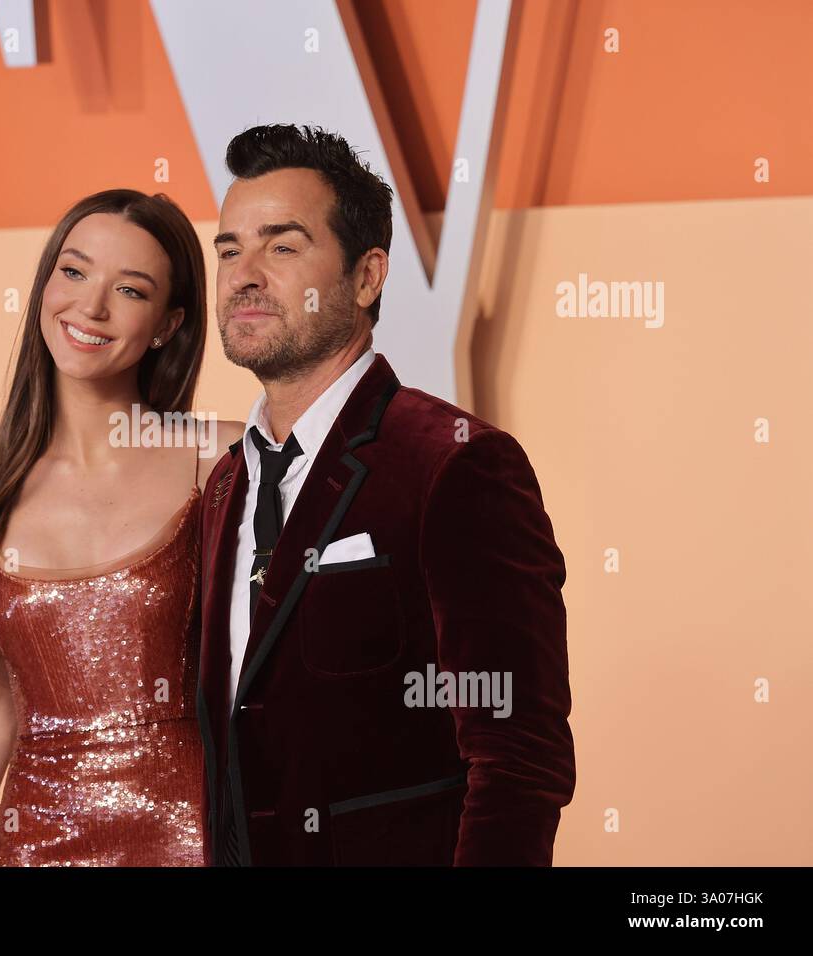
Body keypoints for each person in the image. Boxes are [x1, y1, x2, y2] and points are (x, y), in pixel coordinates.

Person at [200, 124, 577, 866]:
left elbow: (518, 757)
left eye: (281, 246)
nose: (244, 273)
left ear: (367, 277)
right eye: (228, 249)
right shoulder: (224, 488)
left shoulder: (457, 465)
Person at [0, 188, 242, 866]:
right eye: (73, 272)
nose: (90, 307)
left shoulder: (217, 458)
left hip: (192, 837)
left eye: (129, 289)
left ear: (167, 323)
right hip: (32, 844)